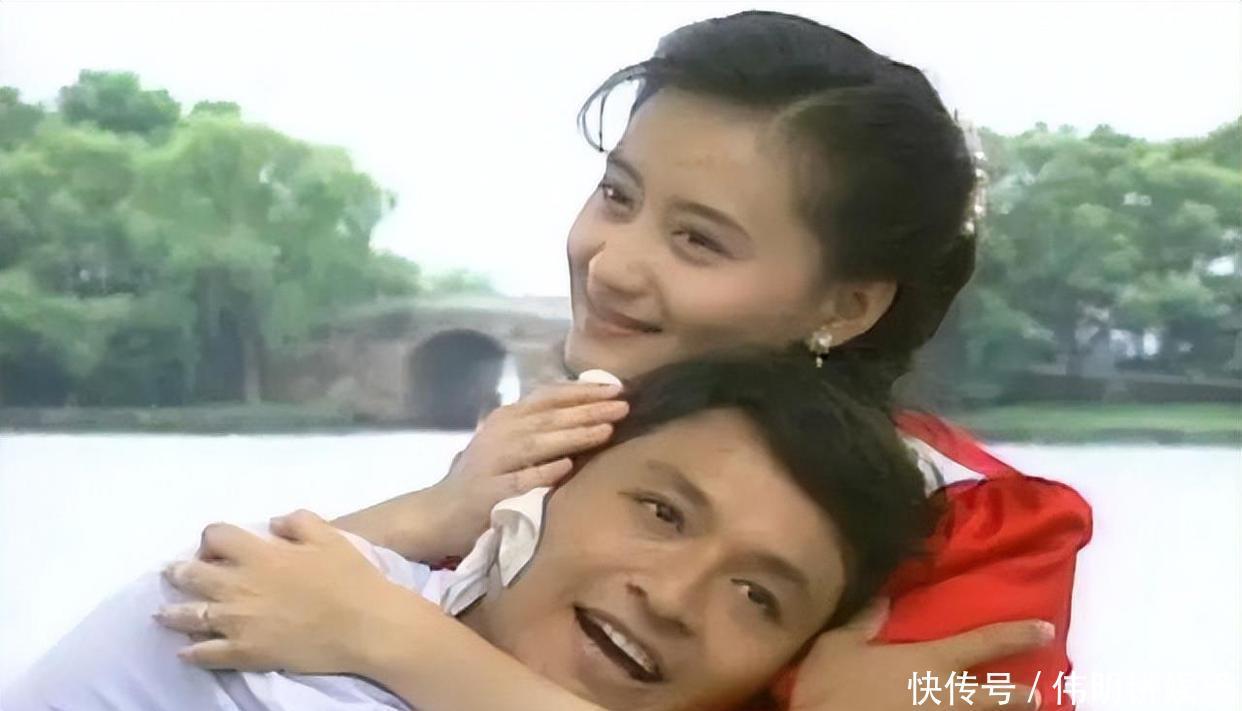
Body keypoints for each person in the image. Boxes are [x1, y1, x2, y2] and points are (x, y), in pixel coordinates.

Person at [144, 10, 1092, 711]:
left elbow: (1009, 692)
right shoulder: (571, 439)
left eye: (698, 241)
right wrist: (429, 515)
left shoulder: (972, 522)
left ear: (845, 306)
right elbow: (239, 612)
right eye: (618, 196)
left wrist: (397, 639)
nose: (613, 263)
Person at [4, 355, 937, 711]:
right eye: (661, 513)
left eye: (758, 596)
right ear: (550, 480)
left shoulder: (371, 618)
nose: (672, 596)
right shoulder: (282, 628)